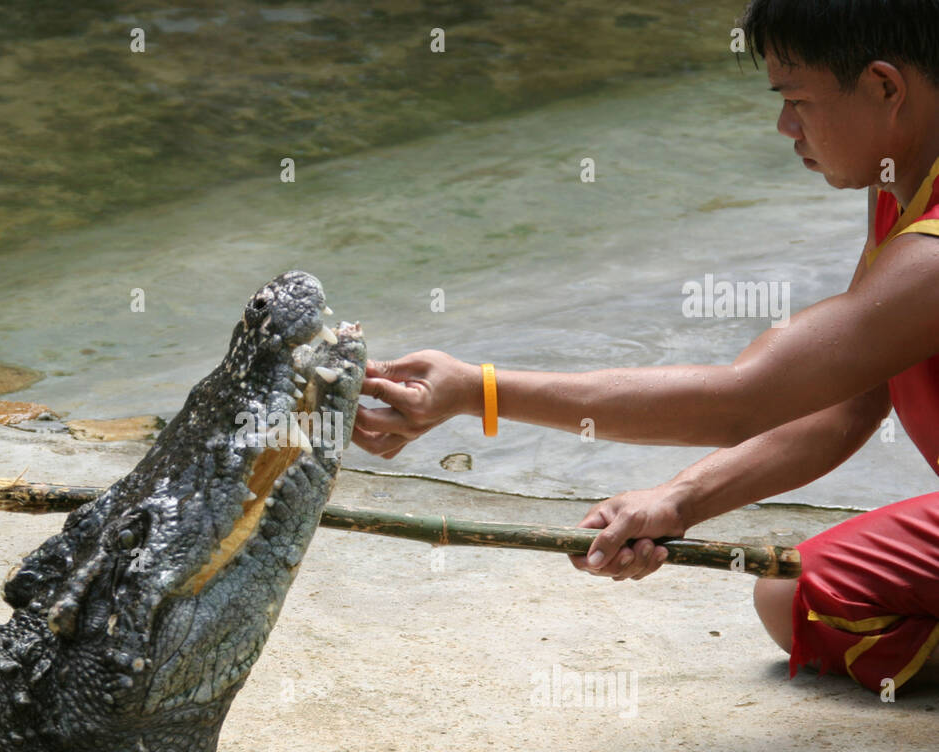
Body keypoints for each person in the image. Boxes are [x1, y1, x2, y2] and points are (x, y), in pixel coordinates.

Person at [351, 0, 939, 693]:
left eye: (796, 99)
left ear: (883, 87)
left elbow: (741, 400)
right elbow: (843, 407)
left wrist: (476, 391)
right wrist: (678, 501)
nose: (784, 126)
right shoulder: (901, 185)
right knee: (797, 595)